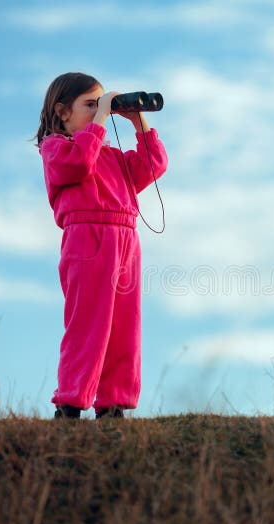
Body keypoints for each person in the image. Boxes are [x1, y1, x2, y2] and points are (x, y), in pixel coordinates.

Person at [33, 72, 168, 419]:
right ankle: (71, 402)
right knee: (89, 325)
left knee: (125, 326)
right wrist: (102, 120)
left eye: (100, 105)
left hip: (126, 240)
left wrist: (139, 124)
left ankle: (113, 403)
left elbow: (153, 165)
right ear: (63, 112)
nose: (98, 113)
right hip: (87, 240)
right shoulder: (56, 148)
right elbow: (77, 164)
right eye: (90, 106)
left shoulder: (109, 155)